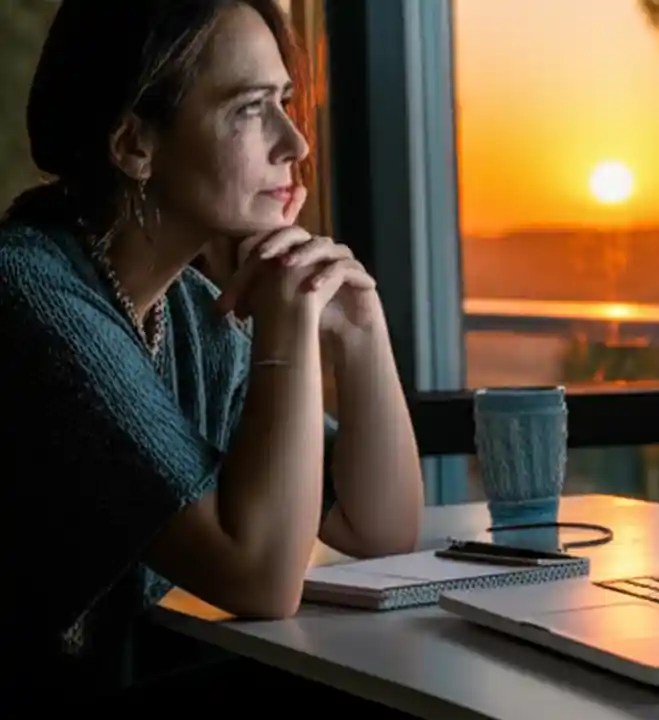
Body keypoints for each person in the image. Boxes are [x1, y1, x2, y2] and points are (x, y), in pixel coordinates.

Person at [0, 0, 423, 707]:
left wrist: (360, 330)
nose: (295, 143)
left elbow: (379, 528)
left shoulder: (190, 313)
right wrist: (286, 329)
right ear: (134, 144)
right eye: (251, 109)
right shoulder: (29, 293)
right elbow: (258, 580)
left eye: (284, 101)